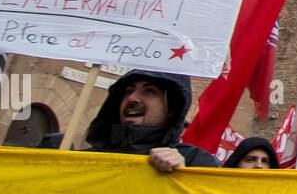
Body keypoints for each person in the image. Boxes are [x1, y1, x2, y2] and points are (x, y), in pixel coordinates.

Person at [83, 69, 220, 172]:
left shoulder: (196, 161)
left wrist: (183, 178)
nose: (132, 98)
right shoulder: (83, 160)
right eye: (128, 90)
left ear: (171, 108)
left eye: (149, 91)